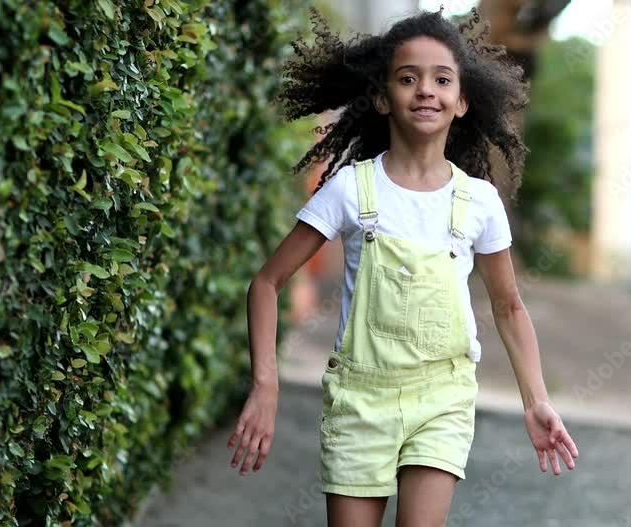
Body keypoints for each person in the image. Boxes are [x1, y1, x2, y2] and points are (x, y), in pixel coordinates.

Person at [227, 7, 578, 526]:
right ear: (381, 96)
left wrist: (537, 400)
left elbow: (508, 307)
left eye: (442, 79)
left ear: (462, 102)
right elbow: (266, 283)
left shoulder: (478, 201)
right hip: (359, 401)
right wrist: (266, 385)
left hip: (443, 398)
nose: (425, 90)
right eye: (407, 78)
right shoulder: (351, 189)